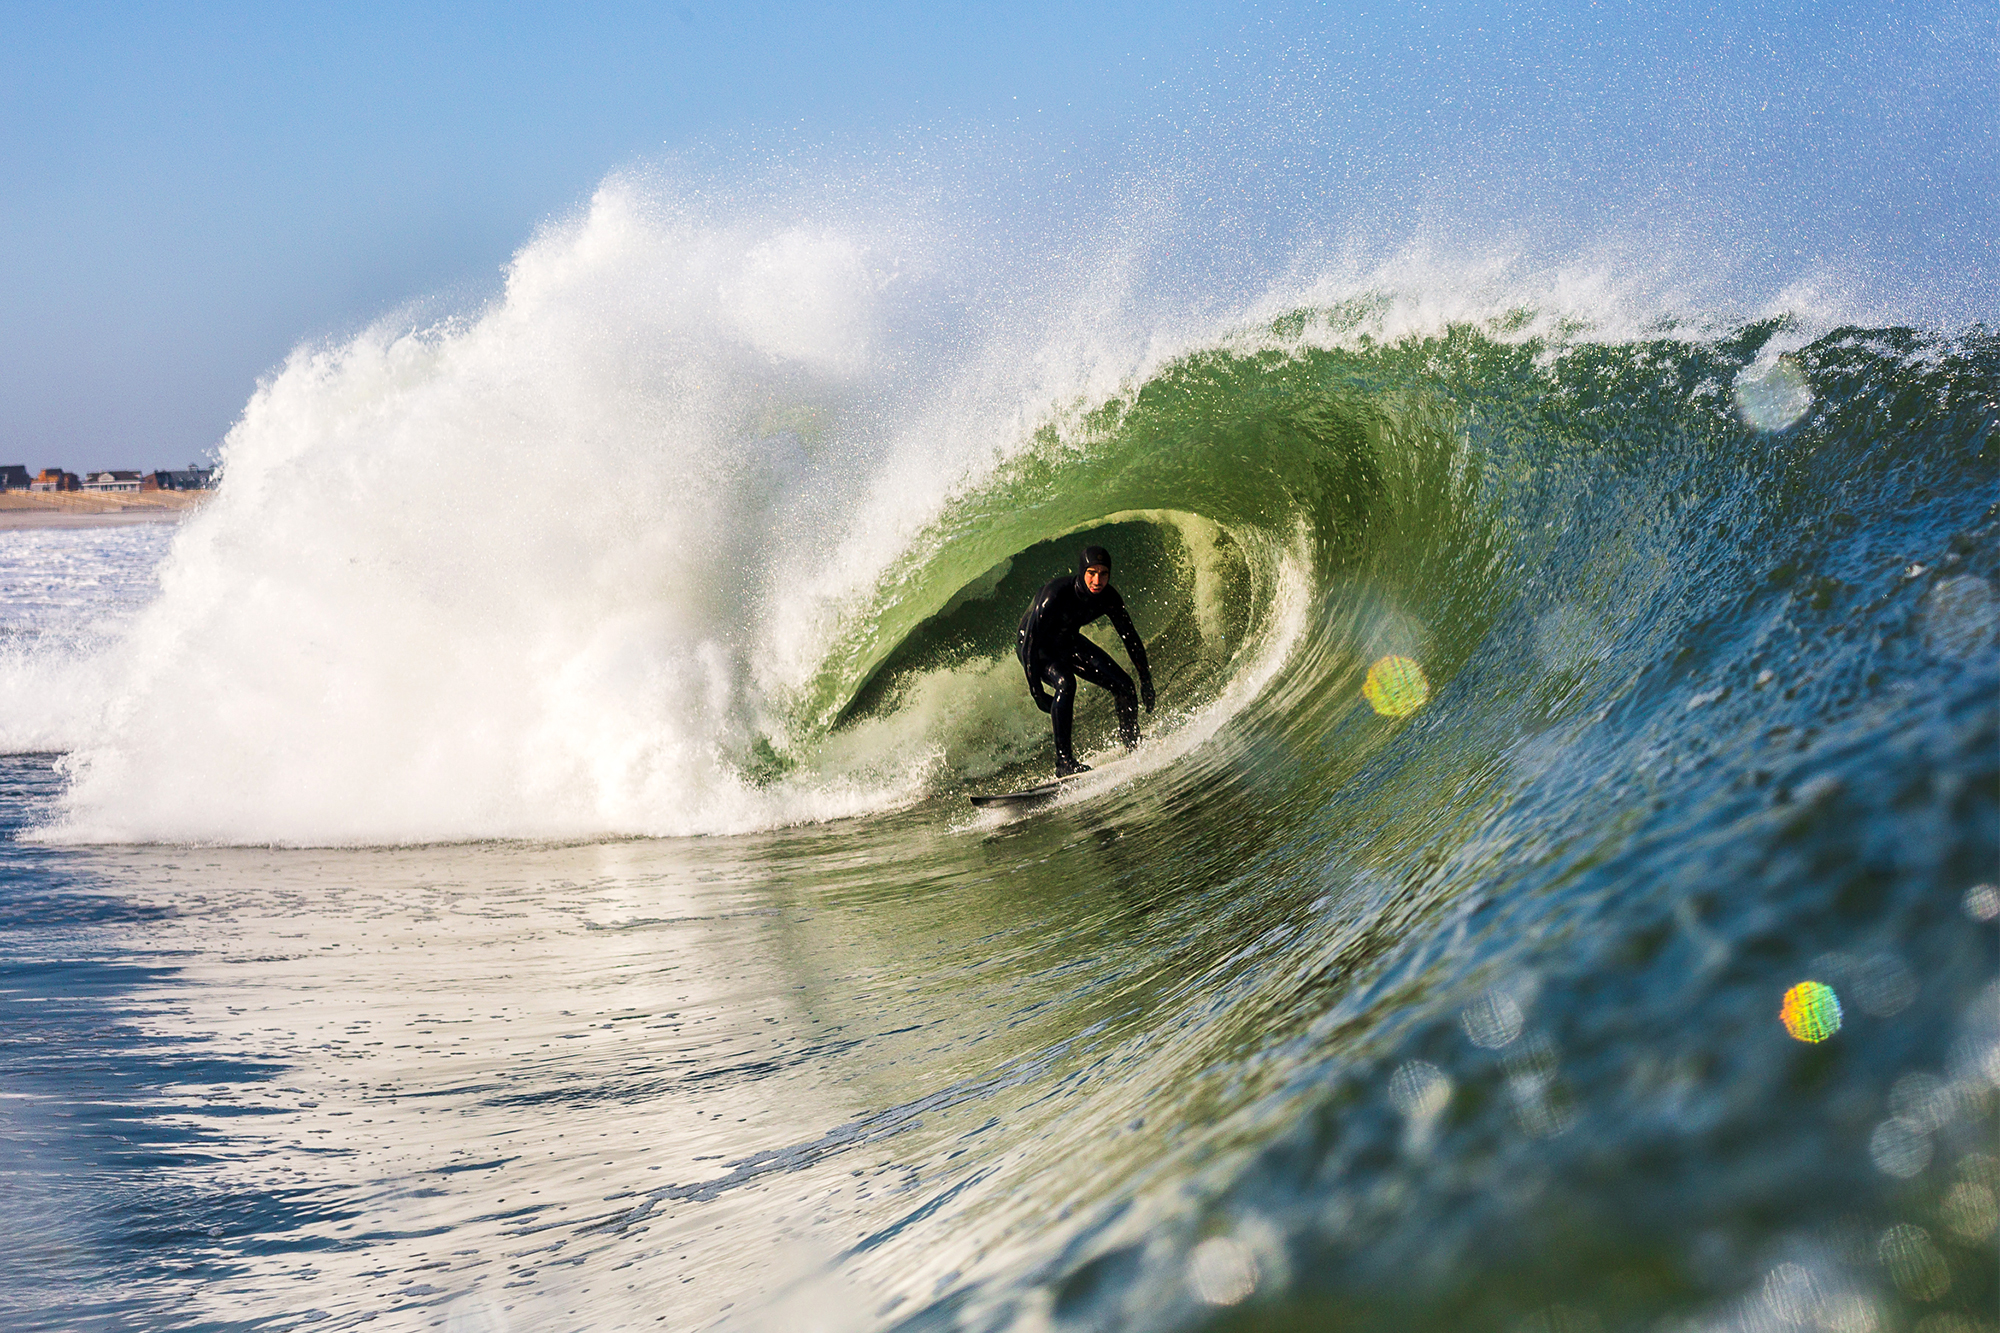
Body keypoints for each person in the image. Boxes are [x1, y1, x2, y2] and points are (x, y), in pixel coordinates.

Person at [1016, 545, 1155, 777]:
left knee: (1125, 686)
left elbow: (1130, 638)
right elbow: (1031, 640)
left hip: (1068, 640)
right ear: (1082, 572)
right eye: (1092, 572)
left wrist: (1146, 680)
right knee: (1066, 682)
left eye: (1103, 574)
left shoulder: (1109, 598)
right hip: (1035, 647)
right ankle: (1064, 763)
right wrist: (1036, 691)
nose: (1097, 580)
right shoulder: (1055, 594)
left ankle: (1132, 742)